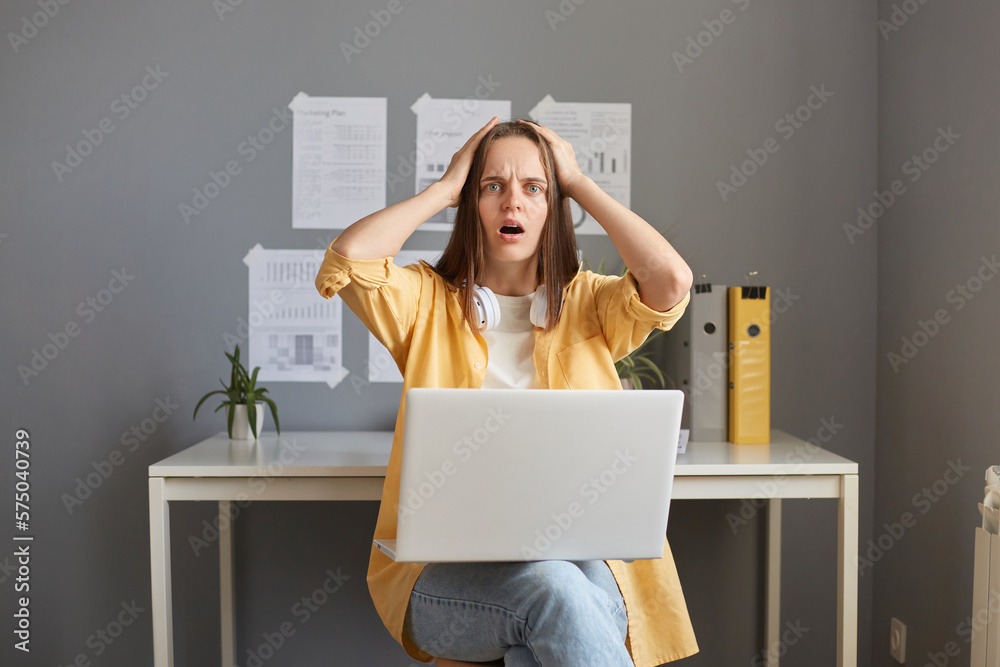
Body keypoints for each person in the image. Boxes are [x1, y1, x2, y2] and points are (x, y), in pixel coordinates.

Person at [315, 117, 698, 667]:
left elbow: (671, 281)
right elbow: (350, 259)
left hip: (587, 563)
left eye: (534, 188)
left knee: (538, 643)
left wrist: (580, 183)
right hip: (440, 580)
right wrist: (446, 188)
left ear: (553, 207)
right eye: (492, 186)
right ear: (473, 204)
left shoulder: (590, 305)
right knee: (555, 590)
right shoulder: (425, 304)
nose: (511, 203)